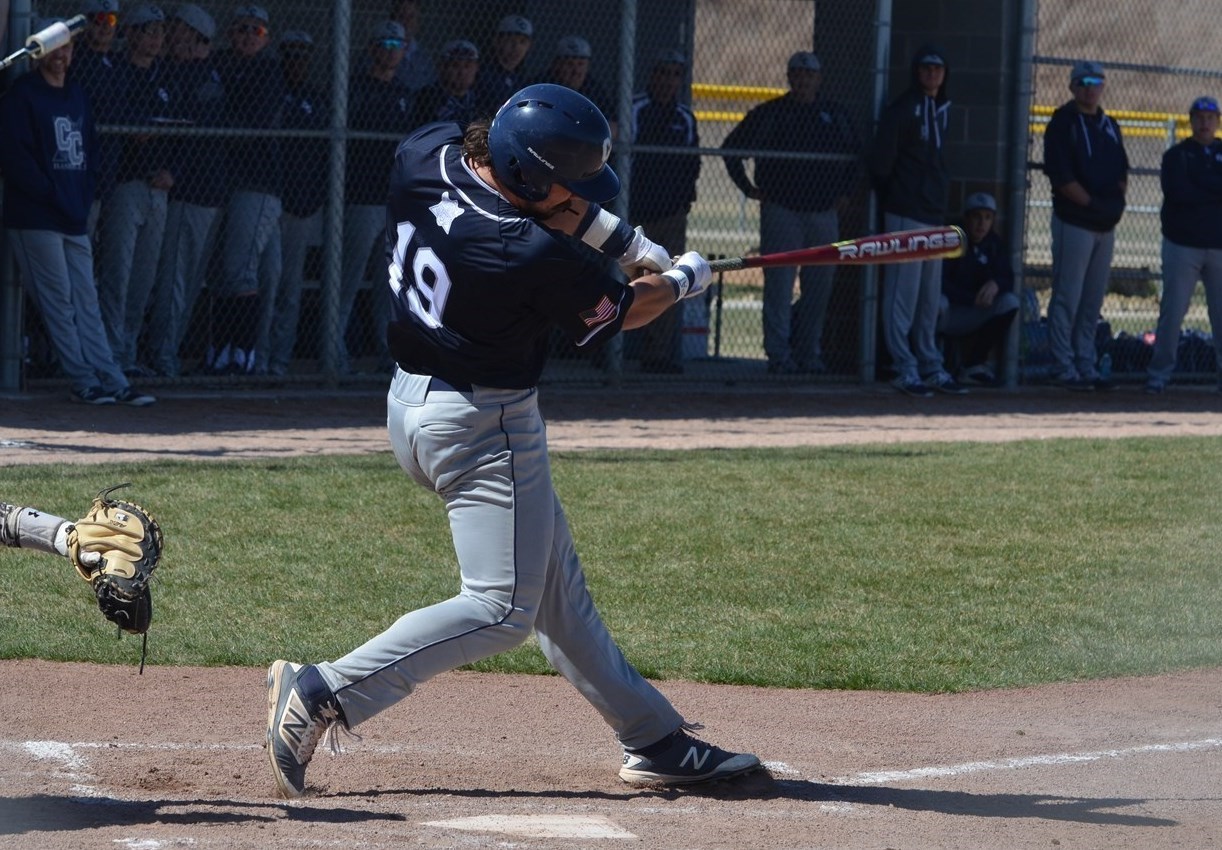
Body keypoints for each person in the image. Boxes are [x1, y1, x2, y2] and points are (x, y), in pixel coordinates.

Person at [264, 83, 759, 798]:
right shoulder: (523, 253)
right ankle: (325, 690)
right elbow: (624, 309)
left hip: (411, 404)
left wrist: (630, 243)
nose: (577, 199)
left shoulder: (426, 153)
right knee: (500, 607)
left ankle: (654, 738)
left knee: (555, 592)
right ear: (528, 178)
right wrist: (681, 279)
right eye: (564, 186)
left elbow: (567, 211)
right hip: (483, 428)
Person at [0, 20, 155, 406]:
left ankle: (112, 377)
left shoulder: (77, 95)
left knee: (87, 300)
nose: (61, 57)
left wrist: (82, 197)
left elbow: (91, 152)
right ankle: (83, 379)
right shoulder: (22, 95)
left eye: (67, 49)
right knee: (60, 302)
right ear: (39, 52)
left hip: (73, 214)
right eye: (54, 50)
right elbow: (16, 160)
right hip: (36, 218)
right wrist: (52, 195)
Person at [723, 51, 858, 375]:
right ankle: (778, 355)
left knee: (819, 288)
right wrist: (748, 187)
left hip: (823, 213)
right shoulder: (772, 113)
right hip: (782, 210)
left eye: (809, 75)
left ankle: (809, 353)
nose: (803, 80)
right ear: (789, 77)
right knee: (779, 286)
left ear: (818, 79)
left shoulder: (833, 115)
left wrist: (845, 194)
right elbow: (731, 149)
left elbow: (856, 156)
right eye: (797, 74)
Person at [868, 44, 964, 397]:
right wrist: (899, 196)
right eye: (925, 68)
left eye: (938, 69)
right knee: (901, 294)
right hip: (906, 211)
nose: (932, 74)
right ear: (915, 72)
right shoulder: (903, 109)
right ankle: (902, 366)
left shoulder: (944, 110)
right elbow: (881, 163)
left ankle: (930, 363)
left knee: (929, 298)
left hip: (934, 214)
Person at [146, 3, 227, 378]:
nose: (170, 36)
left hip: (194, 194)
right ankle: (163, 353)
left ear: (197, 39)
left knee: (179, 281)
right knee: (175, 280)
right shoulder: (178, 71)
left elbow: (197, 140)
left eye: (178, 30)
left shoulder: (202, 77)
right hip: (189, 193)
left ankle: (163, 356)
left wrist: (175, 172)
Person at [94, 3, 175, 378]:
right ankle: (109, 352)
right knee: (118, 273)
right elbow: (120, 131)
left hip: (159, 189)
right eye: (148, 30)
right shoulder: (117, 73)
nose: (156, 38)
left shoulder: (163, 76)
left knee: (144, 277)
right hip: (126, 186)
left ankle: (126, 351)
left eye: (160, 30)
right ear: (131, 34)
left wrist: (169, 169)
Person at [1042, 59, 1129, 392]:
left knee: (1092, 300)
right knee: (1068, 296)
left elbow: (1122, 171)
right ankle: (1062, 365)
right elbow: (1063, 178)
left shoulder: (1109, 124)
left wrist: (1112, 205)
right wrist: (1092, 204)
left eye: (1096, 82)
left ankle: (1085, 362)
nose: (1090, 88)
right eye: (1084, 82)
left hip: (1104, 225)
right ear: (1073, 87)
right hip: (1074, 222)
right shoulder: (1063, 122)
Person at [208, 4, 285, 375]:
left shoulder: (268, 70)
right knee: (231, 271)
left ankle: (243, 354)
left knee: (242, 272)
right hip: (227, 183)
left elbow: (249, 125)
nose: (247, 36)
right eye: (241, 29)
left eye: (257, 31)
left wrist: (222, 117)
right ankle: (224, 350)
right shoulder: (219, 62)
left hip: (258, 184)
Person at [336, 20, 416, 374]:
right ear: (370, 48)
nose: (389, 49)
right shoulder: (352, 88)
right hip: (358, 197)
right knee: (347, 280)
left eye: (395, 43)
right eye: (382, 41)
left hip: (393, 202)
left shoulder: (404, 93)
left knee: (392, 285)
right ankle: (333, 354)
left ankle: (391, 356)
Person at [630, 49, 701, 373]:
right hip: (633, 212)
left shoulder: (684, 116)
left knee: (666, 277)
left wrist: (684, 201)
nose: (668, 81)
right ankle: (607, 349)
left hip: (670, 213)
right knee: (619, 277)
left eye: (675, 75)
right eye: (663, 73)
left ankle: (657, 353)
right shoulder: (636, 108)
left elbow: (692, 164)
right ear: (652, 75)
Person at [262, 29, 328, 378]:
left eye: (302, 57)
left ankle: (278, 361)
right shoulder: (268, 93)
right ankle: (255, 357)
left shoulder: (316, 99)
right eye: (289, 56)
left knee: (289, 287)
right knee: (266, 282)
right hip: (270, 200)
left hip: (301, 206)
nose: (296, 64)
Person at [1146, 96, 1222, 394]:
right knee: (1173, 311)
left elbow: (1194, 190)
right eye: (1199, 117)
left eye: (1210, 117)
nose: (1204, 122)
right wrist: (1214, 188)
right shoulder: (1176, 156)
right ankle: (1159, 374)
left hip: (1219, 245)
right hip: (1183, 244)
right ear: (1190, 121)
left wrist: (1200, 184)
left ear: (1217, 121)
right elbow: (1179, 192)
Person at [938, 192, 1020, 386]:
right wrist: (969, 298)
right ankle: (929, 363)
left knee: (1009, 301)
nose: (981, 223)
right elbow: (939, 282)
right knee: (937, 301)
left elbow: (1008, 277)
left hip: (973, 311)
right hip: (949, 311)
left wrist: (996, 283)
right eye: (976, 217)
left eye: (987, 217)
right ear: (966, 218)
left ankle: (974, 365)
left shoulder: (993, 244)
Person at [69, 0, 122, 239]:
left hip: (109, 166)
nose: (105, 26)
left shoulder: (117, 63)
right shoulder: (75, 60)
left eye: (110, 19)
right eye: (98, 19)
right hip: (80, 164)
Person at [535, 36, 615, 135]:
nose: (576, 71)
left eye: (581, 64)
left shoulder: (593, 88)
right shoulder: (542, 86)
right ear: (557, 65)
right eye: (569, 64)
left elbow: (613, 125)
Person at [412, 39, 482, 130]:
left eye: (467, 66)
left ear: (476, 68)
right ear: (442, 67)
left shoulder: (480, 98)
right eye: (455, 66)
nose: (462, 72)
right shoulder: (427, 96)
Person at [472, 13, 533, 116]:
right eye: (510, 40)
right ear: (497, 41)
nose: (516, 47)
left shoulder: (522, 79)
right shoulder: (482, 75)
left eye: (522, 42)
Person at [388, 0, 435, 92]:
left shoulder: (424, 56)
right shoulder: (384, 51)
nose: (407, 22)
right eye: (402, 16)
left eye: (411, 17)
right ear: (393, 19)